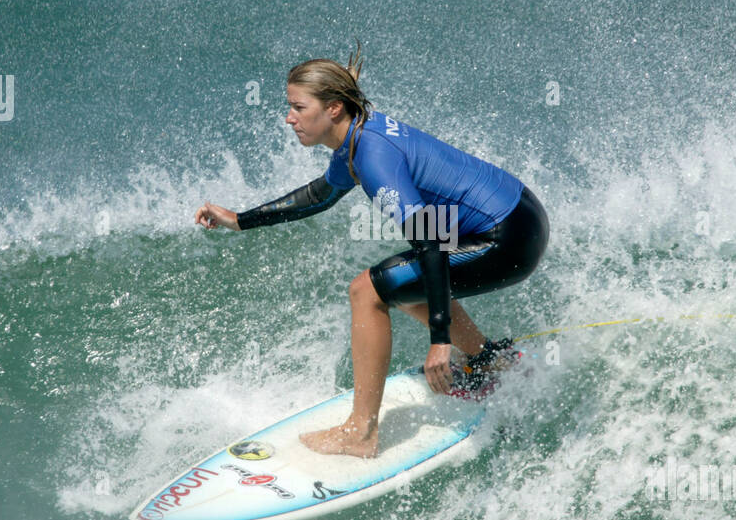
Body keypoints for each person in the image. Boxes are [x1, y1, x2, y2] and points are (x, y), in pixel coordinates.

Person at [194, 43, 549, 458]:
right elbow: (320, 194)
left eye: (297, 107)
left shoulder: (374, 155)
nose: (289, 117)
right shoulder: (357, 134)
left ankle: (361, 433)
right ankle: (489, 362)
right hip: (520, 212)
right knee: (399, 280)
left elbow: (430, 240)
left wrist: (438, 341)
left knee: (369, 290)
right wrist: (240, 219)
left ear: (334, 109)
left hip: (506, 238)